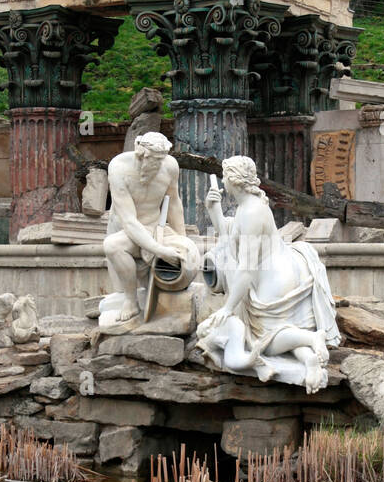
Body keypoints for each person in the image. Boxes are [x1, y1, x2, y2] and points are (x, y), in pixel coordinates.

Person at [196, 155, 339, 393]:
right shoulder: (247, 206)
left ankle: (311, 340)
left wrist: (228, 308)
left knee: (267, 342)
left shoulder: (251, 212)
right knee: (281, 334)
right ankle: (308, 358)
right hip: (274, 274)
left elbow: (246, 269)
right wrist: (214, 211)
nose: (223, 181)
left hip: (275, 280)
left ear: (233, 180)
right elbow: (231, 236)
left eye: (225, 176)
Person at [103, 132, 187, 323]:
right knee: (112, 246)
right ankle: (131, 301)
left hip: (156, 227)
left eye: (162, 160)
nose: (159, 165)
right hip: (128, 231)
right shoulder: (118, 168)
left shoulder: (170, 166)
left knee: (188, 251)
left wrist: (183, 241)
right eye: (155, 161)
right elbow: (129, 221)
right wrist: (159, 250)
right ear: (141, 156)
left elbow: (174, 203)